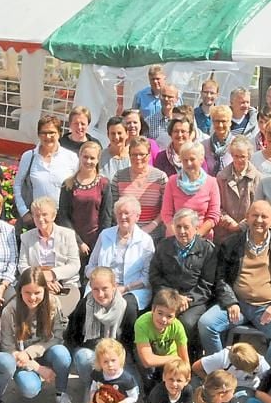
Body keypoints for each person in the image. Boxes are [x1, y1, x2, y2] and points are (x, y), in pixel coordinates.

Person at [199, 201, 271, 364]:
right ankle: (220, 370)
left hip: (267, 307)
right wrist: (230, 302)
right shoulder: (231, 244)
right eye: (255, 215)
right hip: (237, 305)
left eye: (264, 216)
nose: (259, 220)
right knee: (206, 324)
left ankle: (263, 375)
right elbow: (221, 278)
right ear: (247, 218)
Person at [0, 267, 76, 403]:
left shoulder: (53, 303)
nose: (32, 297)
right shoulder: (10, 311)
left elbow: (58, 336)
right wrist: (37, 367)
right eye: (27, 292)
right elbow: (8, 349)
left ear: (45, 291)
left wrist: (30, 353)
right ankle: (33, 378)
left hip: (44, 351)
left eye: (37, 293)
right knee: (30, 389)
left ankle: (62, 393)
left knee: (62, 354)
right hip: (21, 360)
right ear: (20, 290)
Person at [66, 267, 136, 403]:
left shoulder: (127, 307)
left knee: (131, 387)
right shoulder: (85, 305)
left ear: (114, 287)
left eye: (105, 288)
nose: (100, 294)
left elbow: (129, 340)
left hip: (118, 356)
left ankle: (112, 387)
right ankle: (92, 385)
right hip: (93, 353)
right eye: (95, 289)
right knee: (82, 356)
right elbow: (73, 334)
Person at [149, 208, 217, 346]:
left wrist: (187, 300)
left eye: (186, 227)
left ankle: (187, 361)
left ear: (196, 227)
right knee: (154, 319)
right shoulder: (164, 245)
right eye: (178, 226)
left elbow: (207, 284)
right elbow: (155, 276)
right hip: (166, 297)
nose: (181, 231)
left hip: (194, 301)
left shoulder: (207, 249)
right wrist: (173, 297)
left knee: (186, 322)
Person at [86, 196, 155, 326]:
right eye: (119, 213)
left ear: (137, 216)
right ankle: (88, 342)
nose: (122, 217)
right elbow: (91, 266)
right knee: (85, 305)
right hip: (102, 287)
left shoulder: (146, 241)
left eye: (126, 213)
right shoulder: (105, 235)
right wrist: (101, 284)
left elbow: (147, 276)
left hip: (132, 289)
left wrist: (124, 288)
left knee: (127, 306)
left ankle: (127, 345)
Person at [18, 196, 82, 317]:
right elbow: (22, 266)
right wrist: (41, 280)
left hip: (65, 285)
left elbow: (74, 265)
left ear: (53, 215)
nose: (40, 219)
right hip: (35, 286)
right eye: (36, 215)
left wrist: (52, 274)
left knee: (57, 313)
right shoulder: (26, 237)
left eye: (44, 215)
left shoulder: (68, 235)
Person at [14, 115, 79, 229]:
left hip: (63, 218)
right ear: (38, 135)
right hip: (38, 218)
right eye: (43, 133)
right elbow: (18, 184)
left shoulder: (71, 157)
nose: (47, 136)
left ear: (59, 133)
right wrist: (23, 212)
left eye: (52, 132)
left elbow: (78, 186)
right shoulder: (29, 157)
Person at [57, 141, 114, 268]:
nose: (88, 161)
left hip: (96, 241)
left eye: (92, 158)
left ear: (98, 159)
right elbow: (63, 217)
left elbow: (106, 217)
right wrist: (78, 242)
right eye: (85, 157)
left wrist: (99, 243)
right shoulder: (68, 184)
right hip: (72, 241)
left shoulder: (104, 184)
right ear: (80, 156)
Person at [135, 289, 192, 392]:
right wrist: (173, 358)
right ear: (153, 309)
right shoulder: (142, 324)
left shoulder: (178, 327)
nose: (163, 319)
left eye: (169, 316)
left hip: (169, 358)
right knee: (147, 371)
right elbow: (147, 360)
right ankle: (148, 393)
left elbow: (184, 359)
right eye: (160, 313)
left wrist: (185, 378)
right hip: (153, 356)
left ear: (175, 316)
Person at [161, 142, 221, 240]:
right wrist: (180, 236)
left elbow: (213, 216)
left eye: (192, 159)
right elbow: (166, 214)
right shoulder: (172, 181)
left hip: (202, 239)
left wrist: (195, 237)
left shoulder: (211, 182)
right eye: (185, 160)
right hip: (175, 237)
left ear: (201, 159)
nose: (188, 163)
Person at [113, 137, 167, 239]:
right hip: (125, 235)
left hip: (153, 236)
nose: (138, 158)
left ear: (149, 155)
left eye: (142, 154)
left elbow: (165, 208)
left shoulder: (160, 178)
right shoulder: (119, 177)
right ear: (129, 155)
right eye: (134, 154)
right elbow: (113, 207)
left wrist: (151, 227)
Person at [214, 135, 260, 244]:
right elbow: (216, 206)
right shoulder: (221, 177)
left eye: (242, 156)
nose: (239, 160)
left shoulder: (258, 177)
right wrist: (230, 223)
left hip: (249, 235)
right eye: (236, 156)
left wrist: (242, 225)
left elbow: (258, 207)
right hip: (224, 235)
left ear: (249, 156)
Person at [192, 342, 270, 396]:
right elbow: (196, 367)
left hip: (248, 389)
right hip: (225, 388)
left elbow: (269, 383)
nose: (256, 369)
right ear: (237, 368)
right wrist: (213, 382)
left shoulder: (261, 363)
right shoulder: (221, 358)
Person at [202, 105, 234, 177]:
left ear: (230, 122)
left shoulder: (236, 144)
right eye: (217, 121)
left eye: (223, 121)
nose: (220, 125)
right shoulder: (204, 146)